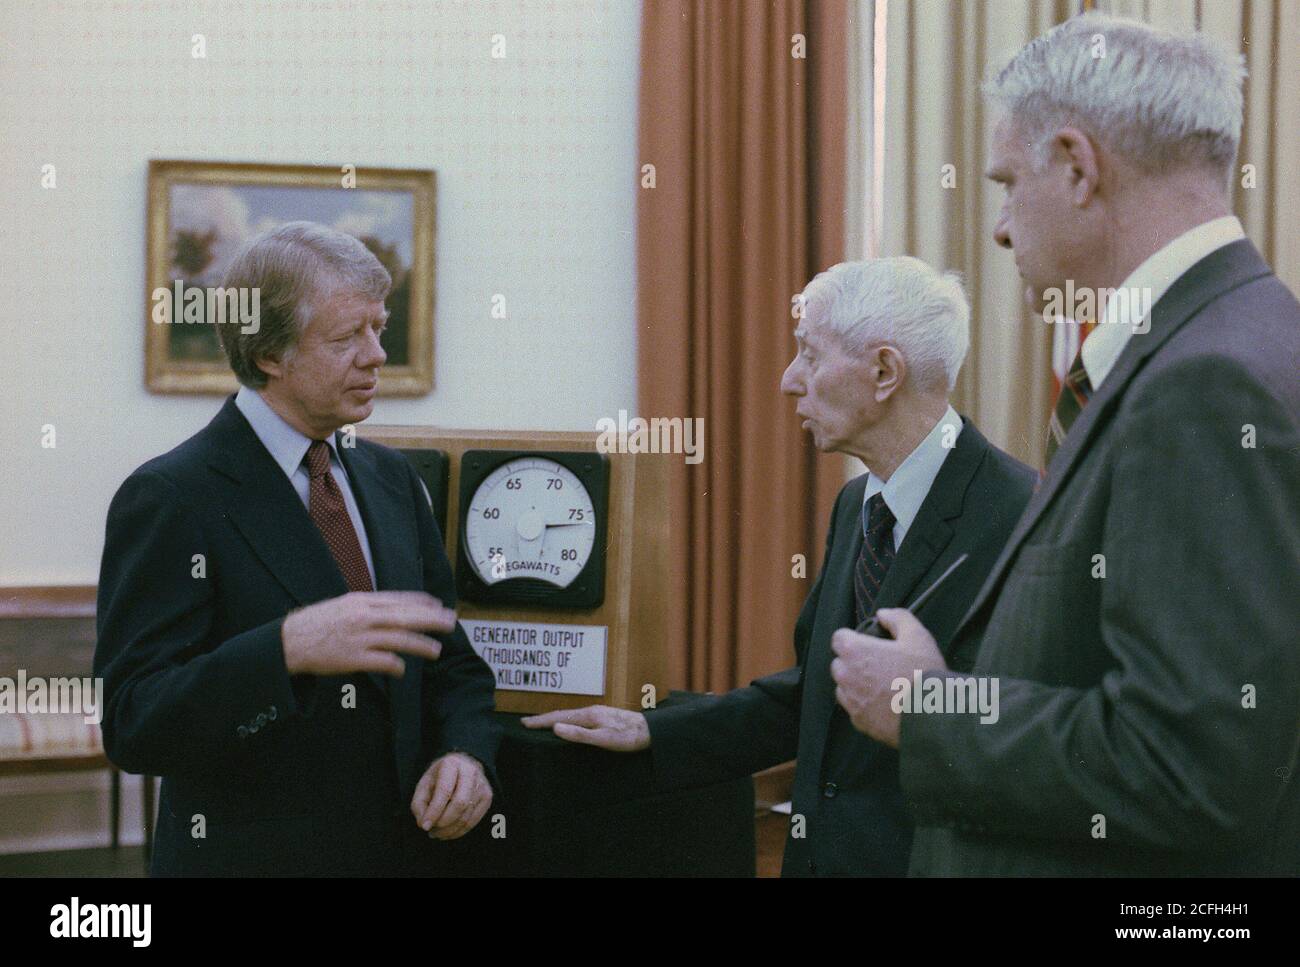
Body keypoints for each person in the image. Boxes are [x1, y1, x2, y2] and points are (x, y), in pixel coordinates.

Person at [830, 13, 1300, 875]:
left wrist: (928, 709)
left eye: (1008, 183)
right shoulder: (1244, 334)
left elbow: (1190, 767)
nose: (1002, 226)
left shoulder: (1205, 383)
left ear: (1080, 168)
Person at [524, 258, 1037, 875]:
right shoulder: (858, 503)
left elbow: (1027, 735)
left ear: (883, 372)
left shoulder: (1024, 516)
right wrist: (655, 731)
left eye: (810, 355)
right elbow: (814, 697)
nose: (789, 380)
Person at [95, 222, 500, 875]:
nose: (376, 356)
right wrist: (284, 649)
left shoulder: (392, 478)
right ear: (268, 356)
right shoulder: (171, 495)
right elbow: (134, 720)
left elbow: (452, 664)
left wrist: (466, 753)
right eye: (347, 338)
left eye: (379, 327)